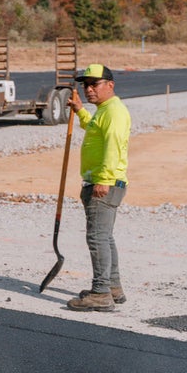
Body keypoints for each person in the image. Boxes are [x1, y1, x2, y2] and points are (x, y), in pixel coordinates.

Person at [66, 63, 130, 311]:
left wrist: (103, 179)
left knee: (97, 238)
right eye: (85, 85)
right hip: (105, 181)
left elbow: (113, 146)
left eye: (94, 84)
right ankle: (113, 287)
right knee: (105, 237)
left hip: (105, 183)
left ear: (110, 85)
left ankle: (101, 293)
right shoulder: (105, 110)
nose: (89, 89)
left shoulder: (114, 111)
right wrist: (81, 112)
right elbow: (94, 128)